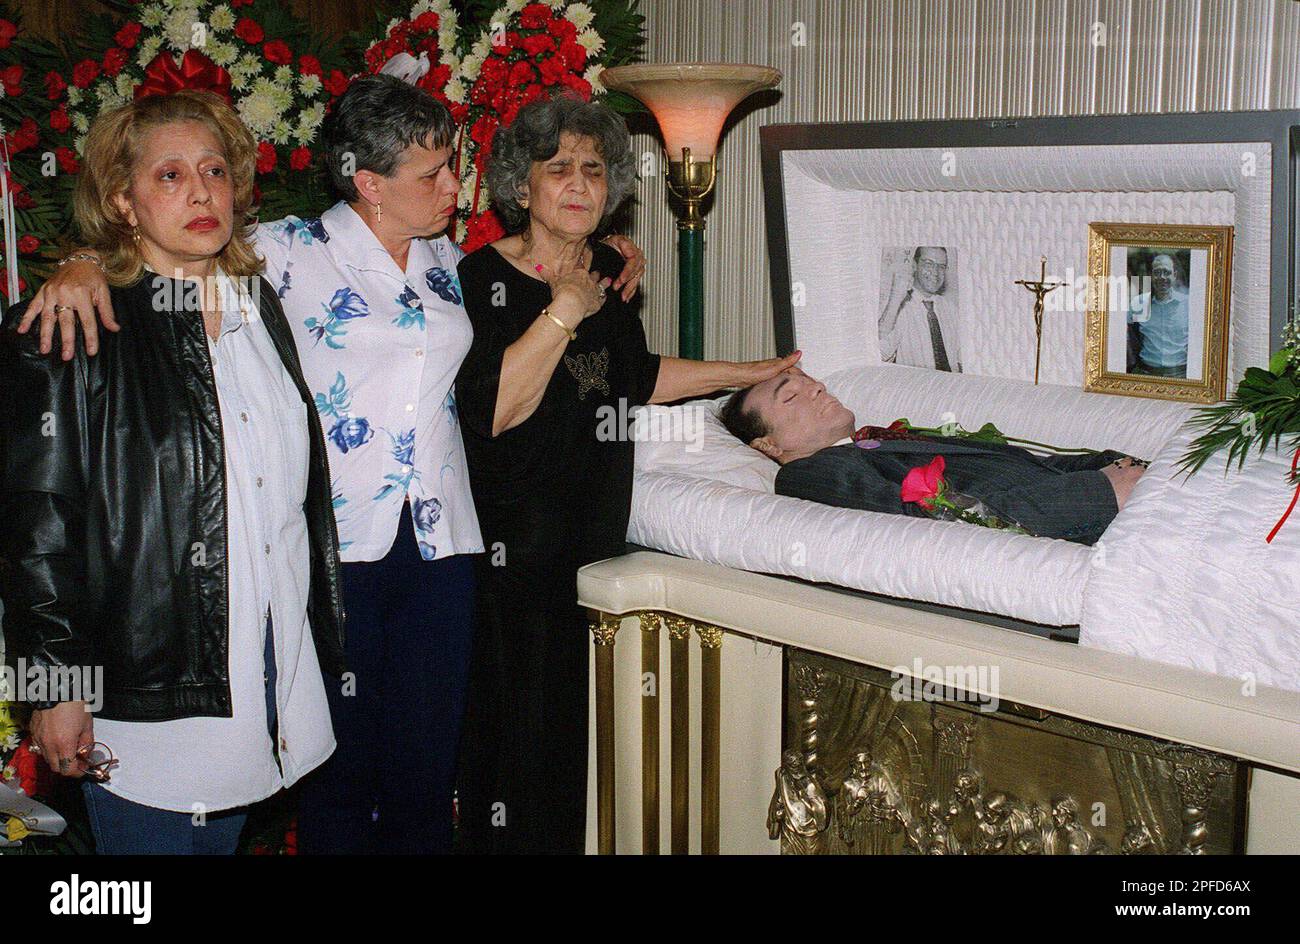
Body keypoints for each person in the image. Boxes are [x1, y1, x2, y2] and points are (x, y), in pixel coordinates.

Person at [20, 75, 647, 854]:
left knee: (425, 776)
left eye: (214, 171)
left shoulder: (451, 264)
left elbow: (538, 268)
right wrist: (81, 262)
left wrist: (614, 252)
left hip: (441, 545)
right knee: (339, 782)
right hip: (334, 555)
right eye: (433, 173)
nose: (454, 185)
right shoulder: (283, 256)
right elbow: (156, 266)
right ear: (369, 182)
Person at [453, 93, 799, 854]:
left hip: (592, 554)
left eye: (595, 169)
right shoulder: (479, 280)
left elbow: (635, 375)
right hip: (515, 565)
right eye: (559, 169)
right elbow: (498, 409)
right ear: (521, 187)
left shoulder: (606, 277)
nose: (579, 183)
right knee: (515, 765)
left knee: (577, 764)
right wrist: (565, 308)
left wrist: (749, 371)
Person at [0, 90, 344, 854]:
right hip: (145, 692)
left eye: (216, 170)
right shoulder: (74, 325)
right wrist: (55, 690)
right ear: (122, 201)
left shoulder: (260, 310)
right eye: (169, 176)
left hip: (265, 673)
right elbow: (37, 533)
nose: (200, 191)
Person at [719, 367, 1147, 545]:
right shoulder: (806, 476)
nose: (815, 386)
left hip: (1112, 501)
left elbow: (1032, 463)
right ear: (768, 446)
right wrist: (1100, 491)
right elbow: (937, 523)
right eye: (791, 395)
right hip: (1081, 525)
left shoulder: (879, 443)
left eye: (807, 379)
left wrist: (1118, 466)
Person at [879, 246, 962, 372]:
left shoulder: (950, 308)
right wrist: (895, 299)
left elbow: (961, 356)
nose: (935, 272)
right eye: (929, 264)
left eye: (941, 266)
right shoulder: (899, 307)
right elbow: (880, 353)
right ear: (914, 265)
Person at [1127, 252, 1189, 378]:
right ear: (1151, 275)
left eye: (1166, 272)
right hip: (1146, 374)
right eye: (1157, 272)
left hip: (1182, 375)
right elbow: (1126, 336)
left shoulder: (1189, 304)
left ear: (1174, 275)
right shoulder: (1139, 303)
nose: (1162, 277)